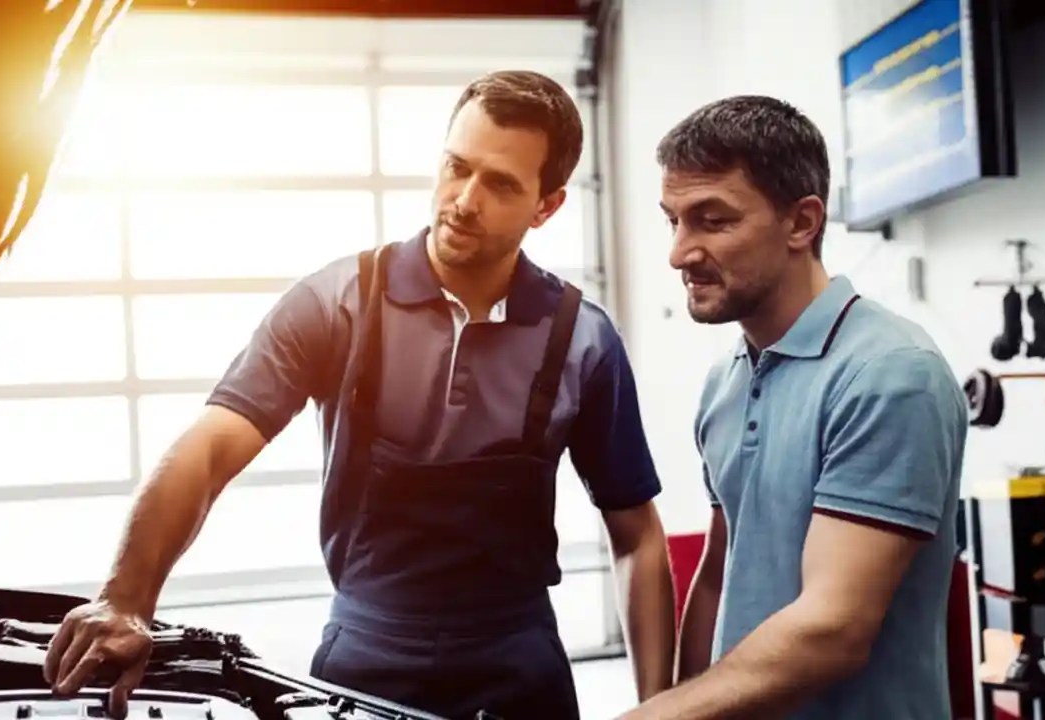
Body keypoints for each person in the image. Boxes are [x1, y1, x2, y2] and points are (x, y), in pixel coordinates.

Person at [43, 70, 677, 720]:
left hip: (519, 664)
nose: (463, 199)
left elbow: (636, 537)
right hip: (365, 657)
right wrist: (126, 596)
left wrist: (660, 706)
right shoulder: (338, 303)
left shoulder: (582, 341)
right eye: (456, 167)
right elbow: (209, 449)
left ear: (546, 207)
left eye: (500, 185)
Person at [620, 95, 967, 720]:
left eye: (712, 220)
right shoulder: (726, 379)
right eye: (674, 220)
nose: (679, 252)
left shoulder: (890, 374)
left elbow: (833, 629)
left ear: (802, 223)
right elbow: (721, 576)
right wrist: (675, 701)